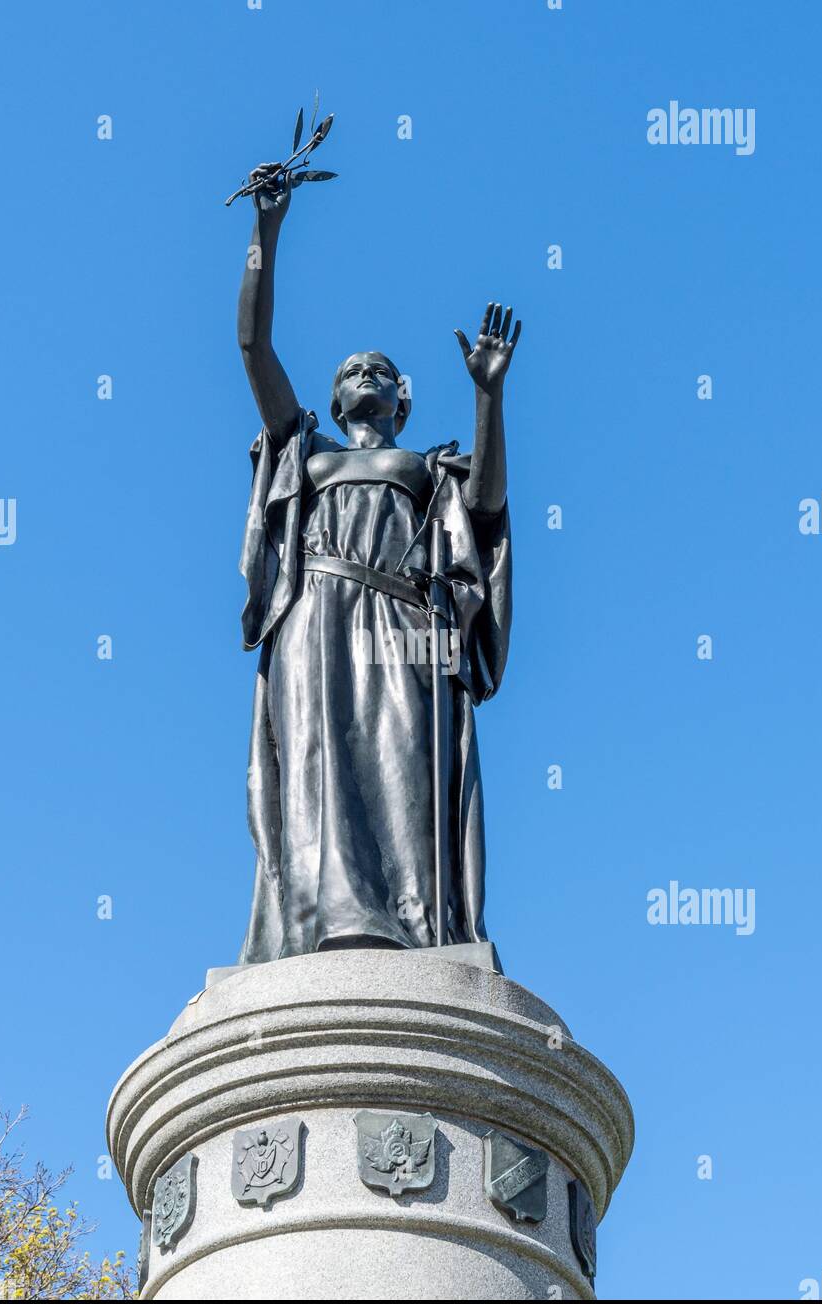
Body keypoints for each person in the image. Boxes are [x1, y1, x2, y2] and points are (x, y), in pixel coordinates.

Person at [235, 165, 519, 962]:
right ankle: (325, 927)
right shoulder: (306, 450)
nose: (363, 374)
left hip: (405, 626)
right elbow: (253, 344)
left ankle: (417, 928)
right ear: (331, 404)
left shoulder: (430, 469)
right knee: (317, 783)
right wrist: (267, 232)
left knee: (407, 779)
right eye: (348, 372)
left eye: (379, 372)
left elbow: (488, 510)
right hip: (316, 618)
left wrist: (490, 397)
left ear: (403, 399)